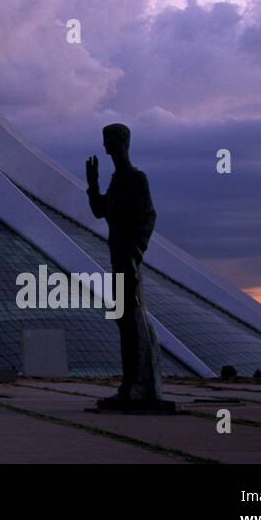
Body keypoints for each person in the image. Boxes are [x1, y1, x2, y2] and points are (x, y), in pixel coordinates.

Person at [86, 123, 166, 410]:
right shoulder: (117, 181)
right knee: (125, 320)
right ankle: (132, 384)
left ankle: (141, 385)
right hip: (117, 257)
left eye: (108, 141)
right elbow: (100, 211)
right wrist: (93, 184)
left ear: (121, 143)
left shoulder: (135, 178)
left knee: (133, 318)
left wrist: (136, 250)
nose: (105, 147)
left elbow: (149, 216)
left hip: (128, 258)